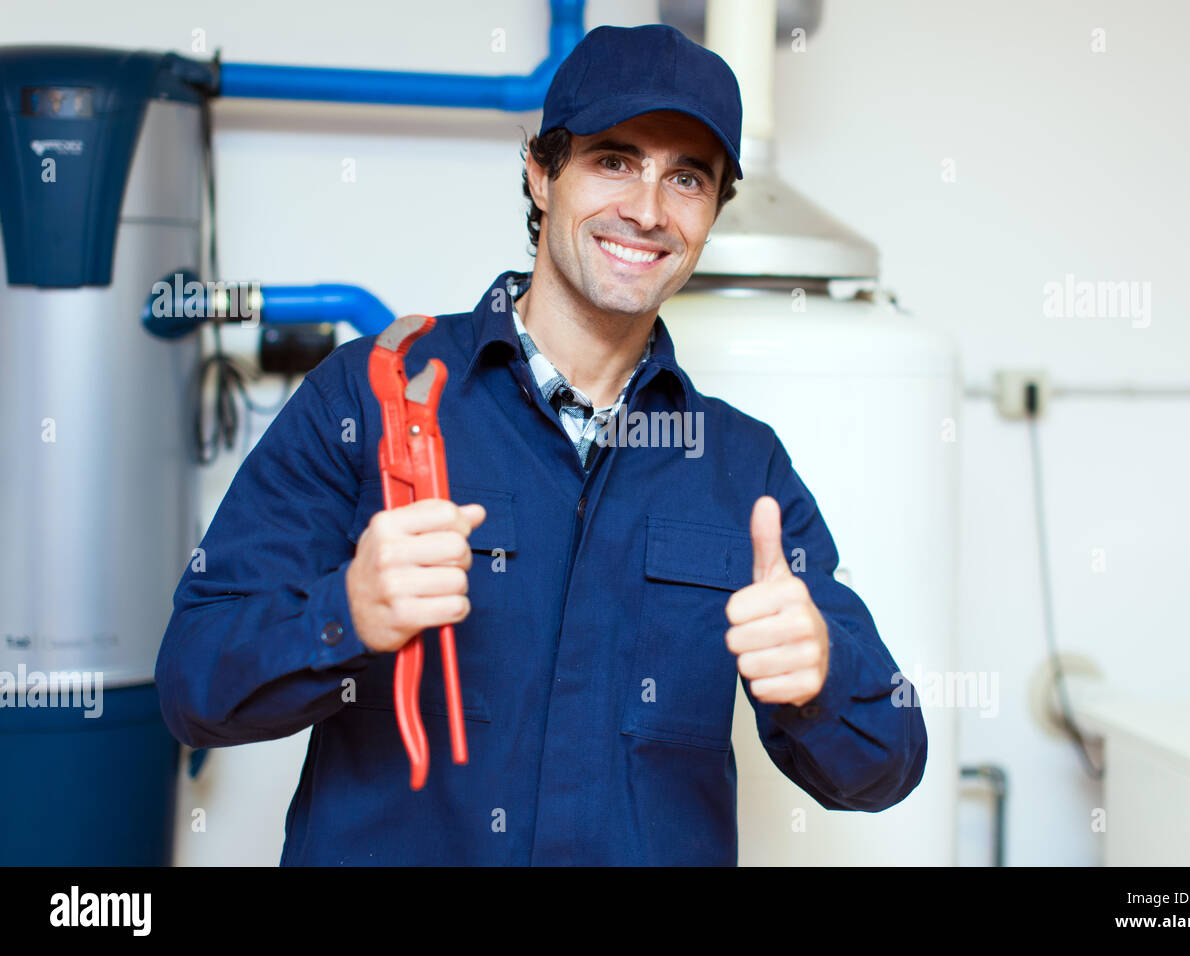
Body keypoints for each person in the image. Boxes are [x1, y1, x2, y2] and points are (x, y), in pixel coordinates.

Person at [156, 23, 926, 866]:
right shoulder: (369, 397)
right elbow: (193, 687)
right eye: (614, 160)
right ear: (540, 171)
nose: (647, 209)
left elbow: (889, 762)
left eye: (688, 178)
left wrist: (821, 678)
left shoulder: (743, 471)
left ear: (713, 213)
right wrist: (346, 614)